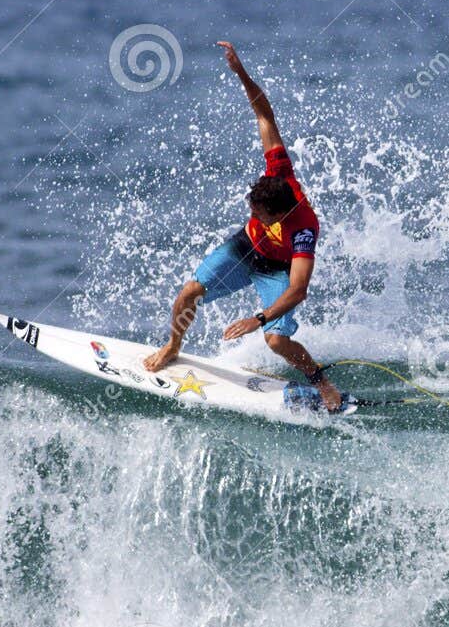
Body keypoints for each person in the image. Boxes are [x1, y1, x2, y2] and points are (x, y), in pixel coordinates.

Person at [143, 41, 343, 412]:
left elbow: (298, 290)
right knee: (188, 294)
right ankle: (173, 346)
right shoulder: (278, 172)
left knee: (277, 342)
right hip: (244, 250)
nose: (255, 214)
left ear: (279, 215)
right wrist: (241, 73)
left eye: (261, 214)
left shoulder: (303, 229)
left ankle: (322, 383)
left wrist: (259, 319)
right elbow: (264, 115)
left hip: (277, 271)